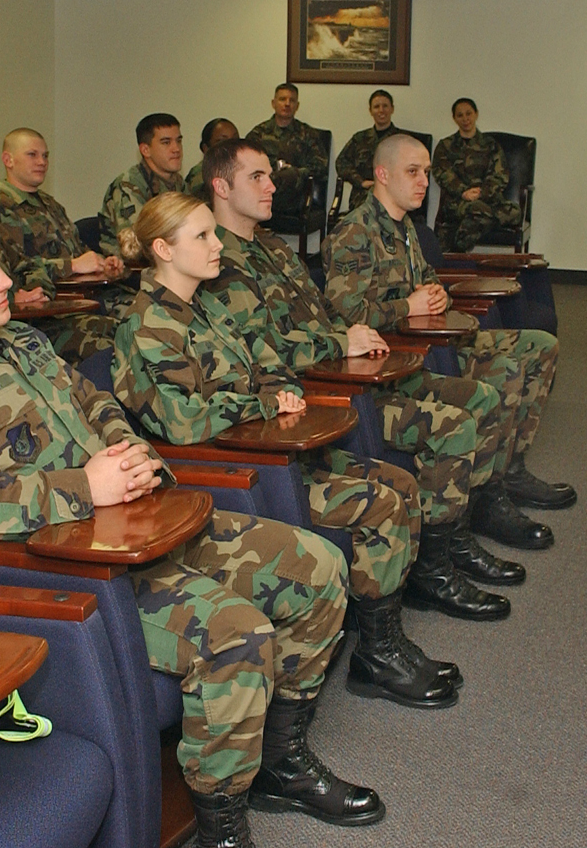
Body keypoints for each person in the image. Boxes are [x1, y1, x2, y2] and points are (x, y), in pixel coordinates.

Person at [0, 202, 364, 848]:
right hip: (63, 579)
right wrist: (81, 487)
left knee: (317, 566)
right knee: (237, 632)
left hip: (137, 525)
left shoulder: (25, 341)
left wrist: (132, 461)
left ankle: (282, 760)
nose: (6, 281)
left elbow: (101, 405)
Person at [112, 192, 457, 711]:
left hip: (272, 450)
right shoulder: (145, 327)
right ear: (162, 248)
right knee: (379, 503)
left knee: (400, 484)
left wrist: (274, 392)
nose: (216, 246)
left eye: (214, 233)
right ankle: (377, 657)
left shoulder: (207, 307)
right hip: (227, 475)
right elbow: (180, 422)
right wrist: (260, 401)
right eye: (202, 236)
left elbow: (268, 359)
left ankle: (380, 645)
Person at [201, 137, 519, 618]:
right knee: (450, 429)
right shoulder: (215, 262)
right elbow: (257, 352)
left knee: (478, 400)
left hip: (345, 375)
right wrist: (340, 340)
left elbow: (324, 317)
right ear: (221, 187)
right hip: (310, 396)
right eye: (258, 178)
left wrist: (351, 336)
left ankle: (446, 551)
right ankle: (430, 574)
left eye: (270, 175)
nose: (273, 187)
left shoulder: (274, 250)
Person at [326, 134, 570, 550]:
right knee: (505, 372)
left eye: (426, 173)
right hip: (389, 362)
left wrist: (439, 295)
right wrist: (408, 305)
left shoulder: (407, 229)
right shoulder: (354, 233)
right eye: (413, 172)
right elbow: (345, 316)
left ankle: (508, 469)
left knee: (539, 345)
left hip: (428, 342)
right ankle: (484, 500)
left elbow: (429, 282)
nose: (424, 182)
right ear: (382, 175)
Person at [0, 128, 124, 360]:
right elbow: (20, 271)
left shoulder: (50, 204)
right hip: (43, 315)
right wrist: (74, 266)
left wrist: (100, 261)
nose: (42, 162)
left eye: (45, 156)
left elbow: (77, 249)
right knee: (110, 346)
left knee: (130, 329)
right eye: (32, 155)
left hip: (78, 301)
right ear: (8, 160)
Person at [432, 98, 524, 252]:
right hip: (458, 202)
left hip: (489, 200)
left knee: (514, 212)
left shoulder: (490, 144)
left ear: (476, 114)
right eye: (460, 115)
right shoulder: (445, 145)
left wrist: (482, 192)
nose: (465, 119)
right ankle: (460, 245)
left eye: (468, 113)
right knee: (477, 208)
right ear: (454, 118)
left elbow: (500, 175)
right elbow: (442, 173)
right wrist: (463, 192)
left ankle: (458, 245)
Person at [98, 113, 186, 254]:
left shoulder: (177, 183)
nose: (176, 149)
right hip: (133, 270)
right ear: (145, 150)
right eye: (166, 142)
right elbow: (135, 245)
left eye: (178, 141)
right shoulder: (128, 185)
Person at [246, 84, 327, 226]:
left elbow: (321, 166)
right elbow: (245, 163)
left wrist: (296, 172)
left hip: (296, 198)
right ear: (273, 103)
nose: (287, 104)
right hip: (263, 196)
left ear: (297, 105)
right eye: (282, 99)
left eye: (292, 100)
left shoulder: (308, 134)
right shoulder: (258, 134)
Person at [335, 90, 406, 194]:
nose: (381, 110)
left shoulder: (402, 139)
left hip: (393, 196)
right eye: (376, 107)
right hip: (362, 197)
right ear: (370, 111)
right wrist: (360, 181)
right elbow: (341, 163)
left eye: (385, 106)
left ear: (392, 109)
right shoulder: (359, 138)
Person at [183, 118, 238, 199]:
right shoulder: (200, 176)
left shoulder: (242, 167)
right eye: (222, 141)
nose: (231, 145)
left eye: (235, 139)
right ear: (206, 148)